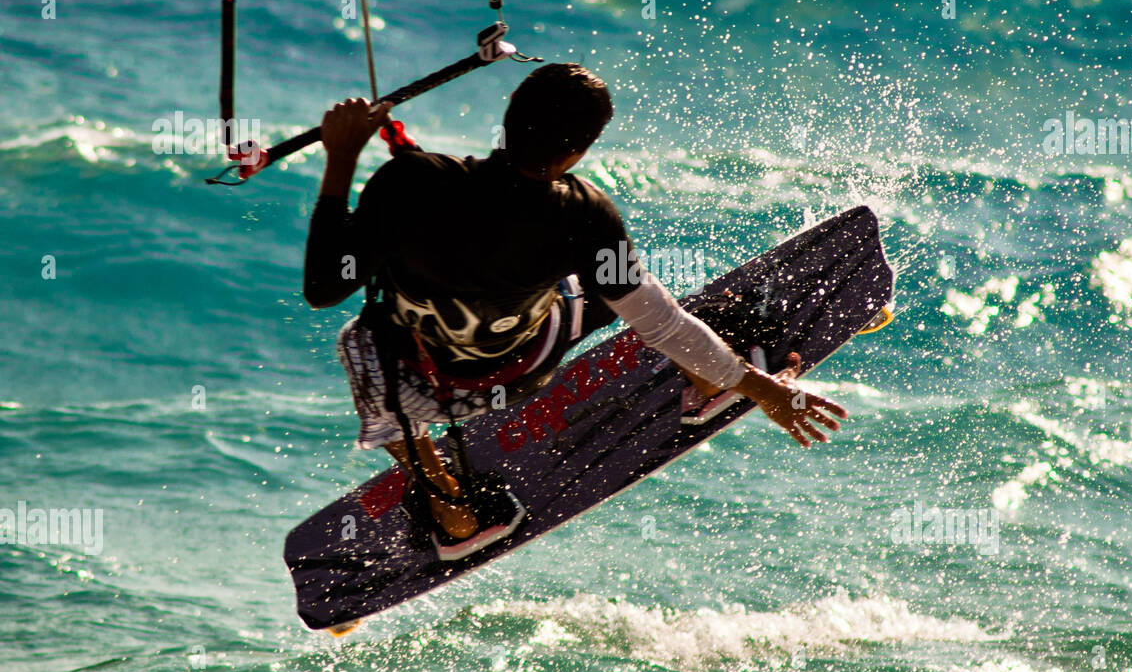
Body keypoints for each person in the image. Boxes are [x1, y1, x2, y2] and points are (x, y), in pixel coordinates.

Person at [303, 63, 846, 550]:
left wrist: (342, 158)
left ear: (508, 121)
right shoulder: (584, 216)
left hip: (428, 387)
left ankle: (455, 512)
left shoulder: (410, 181)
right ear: (575, 153)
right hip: (524, 367)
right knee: (625, 297)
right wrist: (762, 388)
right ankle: (708, 383)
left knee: (359, 340)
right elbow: (660, 322)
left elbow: (324, 286)